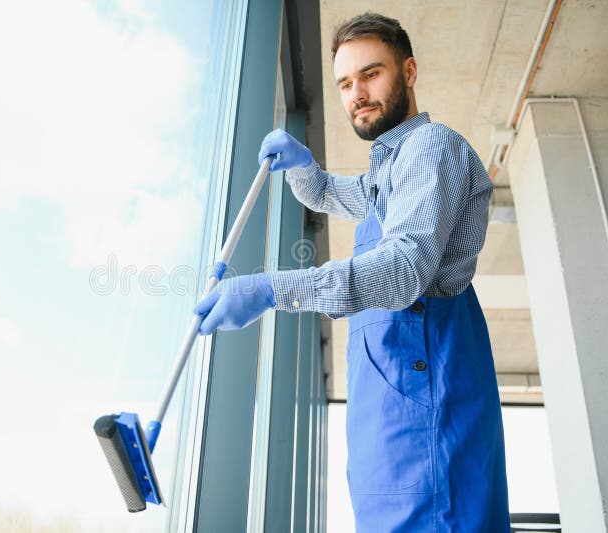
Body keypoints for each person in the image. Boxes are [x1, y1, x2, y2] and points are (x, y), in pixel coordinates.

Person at [194, 12, 510, 533]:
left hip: (427, 410)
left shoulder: (429, 149)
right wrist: (302, 167)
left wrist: (274, 289)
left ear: (408, 72)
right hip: (389, 422)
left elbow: (403, 269)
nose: (357, 93)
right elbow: (328, 194)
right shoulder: (386, 170)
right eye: (345, 83)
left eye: (371, 74)